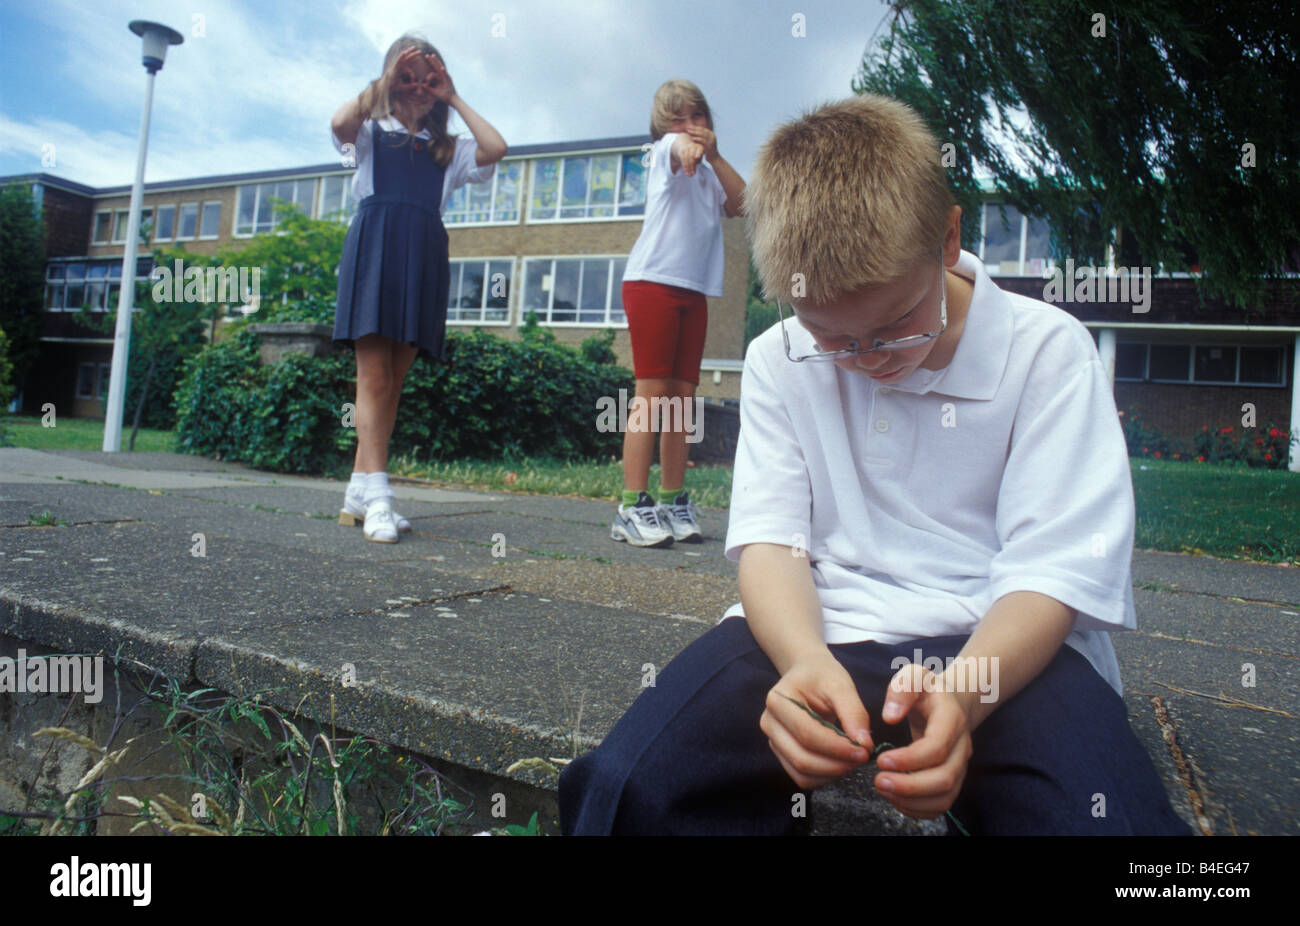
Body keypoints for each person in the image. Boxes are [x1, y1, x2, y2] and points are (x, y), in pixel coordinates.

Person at [559, 94, 1193, 835]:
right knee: (631, 788)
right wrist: (800, 660)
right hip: (824, 625)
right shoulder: (780, 355)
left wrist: (961, 697)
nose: (864, 362)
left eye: (893, 328)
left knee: (1109, 828)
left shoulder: (1048, 352)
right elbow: (771, 545)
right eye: (832, 336)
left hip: (1007, 651)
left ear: (948, 237)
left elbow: (1050, 575)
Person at [331, 34, 506, 542]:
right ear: (390, 78)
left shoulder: (448, 150)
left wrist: (452, 97)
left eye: (429, 79)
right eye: (408, 76)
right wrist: (383, 86)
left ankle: (356, 492)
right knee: (374, 377)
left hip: (424, 251)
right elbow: (339, 124)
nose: (418, 88)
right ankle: (379, 496)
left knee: (396, 380)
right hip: (375, 246)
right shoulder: (369, 131)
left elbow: (497, 148)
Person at [611, 80, 746, 548]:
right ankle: (631, 505)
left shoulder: (710, 174)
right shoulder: (661, 153)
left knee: (682, 402)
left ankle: (671, 499)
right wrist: (686, 146)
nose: (691, 126)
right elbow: (677, 149)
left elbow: (743, 203)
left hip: (693, 292)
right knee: (651, 397)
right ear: (664, 127)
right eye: (679, 117)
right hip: (651, 284)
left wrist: (715, 156)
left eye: (699, 116)